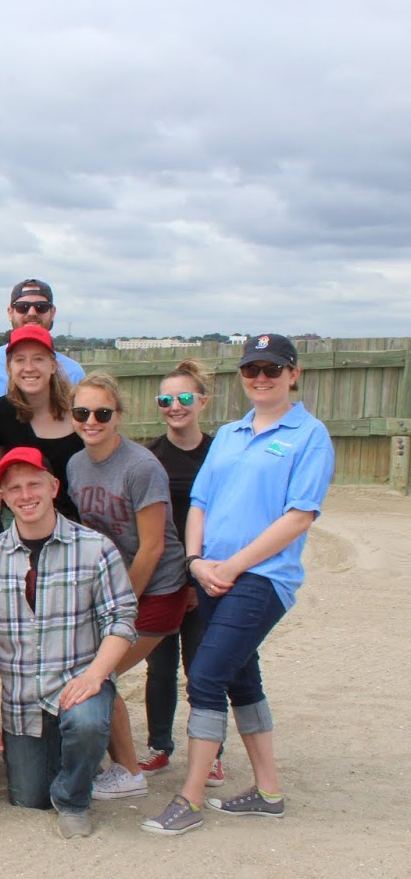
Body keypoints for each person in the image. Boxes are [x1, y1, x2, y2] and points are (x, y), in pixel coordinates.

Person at [143, 334, 334, 835]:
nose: (261, 378)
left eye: (273, 369)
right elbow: (200, 501)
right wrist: (196, 561)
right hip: (212, 575)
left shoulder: (309, 436)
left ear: (293, 374)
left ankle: (190, 799)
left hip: (261, 578)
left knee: (205, 677)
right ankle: (268, 791)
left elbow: (299, 516)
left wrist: (233, 566)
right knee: (242, 678)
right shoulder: (229, 434)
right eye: (252, 370)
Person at [0, 447, 137, 838]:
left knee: (89, 721)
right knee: (30, 798)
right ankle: (71, 760)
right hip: (22, 701)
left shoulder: (95, 548)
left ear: (54, 486)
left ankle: (75, 798)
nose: (26, 495)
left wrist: (96, 676)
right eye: (14, 489)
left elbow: (122, 619)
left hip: (77, 685)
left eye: (34, 484)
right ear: (4, 497)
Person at [65, 373, 190, 802]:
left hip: (157, 588)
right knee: (88, 663)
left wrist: (121, 607)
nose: (91, 421)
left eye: (102, 413)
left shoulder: (141, 467)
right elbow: (92, 531)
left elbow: (153, 547)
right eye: (82, 413)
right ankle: (111, 755)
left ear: (118, 415)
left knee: (102, 671)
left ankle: (129, 770)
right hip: (116, 584)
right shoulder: (76, 464)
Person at [140, 359, 215, 776]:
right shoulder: (150, 457)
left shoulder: (219, 453)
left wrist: (196, 578)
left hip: (206, 575)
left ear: (202, 401)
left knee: (203, 667)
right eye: (165, 399)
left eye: (184, 397)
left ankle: (212, 755)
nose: (175, 406)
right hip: (162, 578)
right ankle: (159, 745)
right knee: (161, 665)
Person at [0, 324, 84, 520]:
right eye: (20, 360)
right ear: (9, 367)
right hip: (21, 516)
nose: (29, 368)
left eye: (38, 359)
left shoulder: (78, 411)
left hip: (75, 520)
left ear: (53, 365)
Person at [0, 278, 84, 402]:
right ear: (10, 312)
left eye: (41, 307)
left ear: (52, 312)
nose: (32, 313)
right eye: (22, 307)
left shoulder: (74, 372)